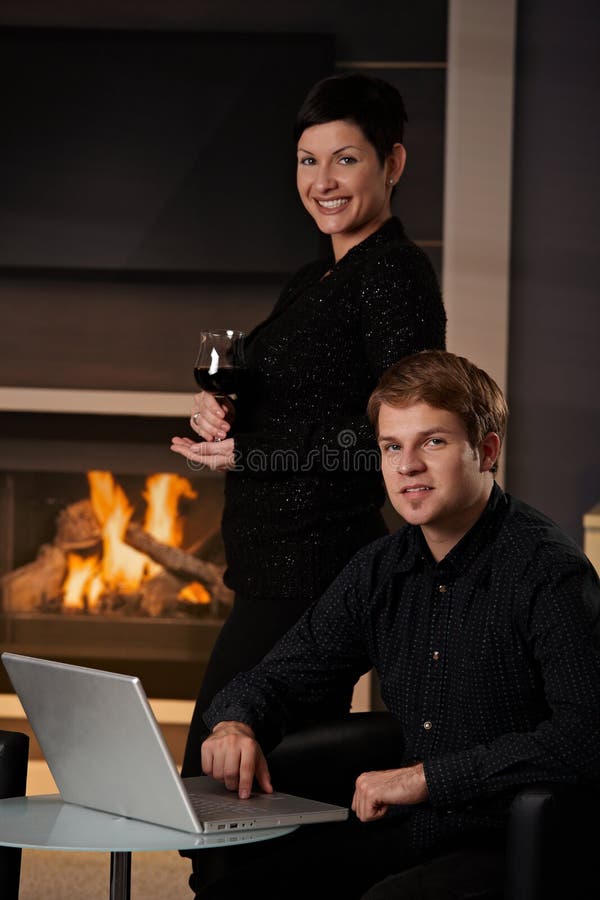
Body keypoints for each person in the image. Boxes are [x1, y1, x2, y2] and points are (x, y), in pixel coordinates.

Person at [193, 349, 600, 899]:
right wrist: (235, 724)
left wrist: (426, 778)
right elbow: (285, 673)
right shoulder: (380, 569)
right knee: (239, 888)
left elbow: (585, 737)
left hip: (514, 839)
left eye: (432, 441)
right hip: (408, 832)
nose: (407, 465)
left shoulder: (546, 571)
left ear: (486, 451)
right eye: (391, 446)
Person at [170, 72, 446, 777]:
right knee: (249, 787)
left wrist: (252, 453)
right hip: (269, 567)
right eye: (307, 160)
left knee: (220, 780)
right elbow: (297, 402)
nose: (323, 180)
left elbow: (393, 439)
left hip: (316, 568)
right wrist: (226, 413)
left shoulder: (394, 276)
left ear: (393, 163)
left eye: (346, 159)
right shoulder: (313, 277)